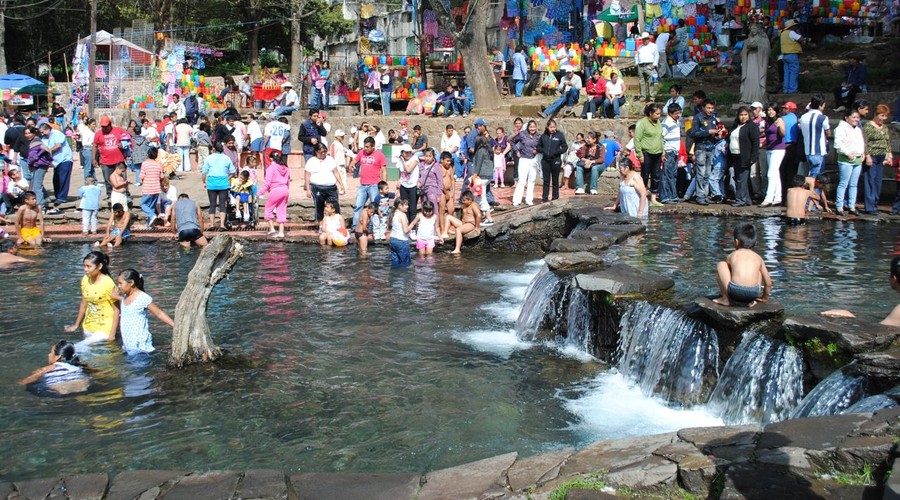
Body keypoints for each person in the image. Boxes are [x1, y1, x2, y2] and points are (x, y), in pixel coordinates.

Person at [112, 269, 174, 355]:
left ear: (131, 283)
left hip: (141, 347)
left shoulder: (143, 298)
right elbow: (128, 304)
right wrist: (115, 296)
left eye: (120, 283)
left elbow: (159, 313)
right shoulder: (125, 297)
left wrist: (174, 325)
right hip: (128, 344)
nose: (118, 286)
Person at [713, 222, 772, 308]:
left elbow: (727, 274)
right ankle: (751, 301)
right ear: (755, 244)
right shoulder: (758, 258)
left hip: (735, 291)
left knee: (721, 265)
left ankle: (725, 299)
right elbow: (768, 283)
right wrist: (764, 298)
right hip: (753, 294)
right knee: (758, 272)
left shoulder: (733, 255)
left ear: (736, 242)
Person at [65, 251, 119, 343]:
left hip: (105, 329)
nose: (85, 269)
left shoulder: (108, 283)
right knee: (89, 357)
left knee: (78, 349)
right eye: (84, 266)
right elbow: (83, 303)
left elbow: (117, 310)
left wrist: (112, 334)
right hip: (88, 326)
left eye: (89, 266)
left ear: (100, 266)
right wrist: (76, 324)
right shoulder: (85, 279)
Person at [18, 340, 90, 395]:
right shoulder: (80, 365)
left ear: (58, 357)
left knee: (30, 386)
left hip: (58, 391)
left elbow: (24, 382)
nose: (49, 355)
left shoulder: (48, 368)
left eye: (51, 353)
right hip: (82, 387)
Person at [688, 99, 724, 205]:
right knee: (701, 172)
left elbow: (714, 134)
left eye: (712, 108)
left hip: (711, 148)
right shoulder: (698, 117)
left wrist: (718, 134)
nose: (710, 110)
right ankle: (699, 196)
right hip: (701, 148)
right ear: (703, 107)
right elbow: (694, 133)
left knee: (707, 173)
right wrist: (708, 132)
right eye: (708, 108)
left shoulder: (713, 118)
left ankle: (704, 194)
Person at [861, 104, 892, 215]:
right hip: (872, 156)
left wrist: (889, 155)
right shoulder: (868, 126)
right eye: (882, 115)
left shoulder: (884, 127)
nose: (884, 118)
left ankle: (875, 203)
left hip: (882, 157)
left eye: (885, 116)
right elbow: (865, 142)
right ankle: (869, 206)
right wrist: (868, 155)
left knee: (878, 181)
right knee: (870, 180)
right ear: (875, 114)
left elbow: (887, 142)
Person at [834, 109, 865, 216]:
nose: (856, 119)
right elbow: (838, 144)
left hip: (857, 159)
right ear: (846, 117)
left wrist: (863, 153)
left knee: (853, 184)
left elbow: (861, 142)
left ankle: (852, 206)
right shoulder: (840, 128)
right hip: (846, 159)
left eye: (857, 117)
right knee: (843, 183)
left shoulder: (857, 129)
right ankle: (839, 206)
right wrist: (847, 153)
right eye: (854, 117)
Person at [305, 142, 345, 222]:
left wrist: (341, 184)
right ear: (316, 152)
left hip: (331, 187)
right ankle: (320, 224)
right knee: (319, 205)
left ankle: (336, 223)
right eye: (321, 152)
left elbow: (336, 172)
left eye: (324, 151)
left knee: (334, 205)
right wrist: (308, 189)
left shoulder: (330, 159)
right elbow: (307, 176)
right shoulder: (311, 161)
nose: (323, 154)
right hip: (317, 187)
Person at [352, 137, 387, 228]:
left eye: (368, 147)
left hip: (374, 184)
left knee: (374, 206)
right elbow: (355, 160)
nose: (366, 149)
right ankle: (355, 226)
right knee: (358, 206)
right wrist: (352, 164)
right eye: (365, 146)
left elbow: (383, 170)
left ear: (373, 146)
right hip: (363, 184)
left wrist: (384, 184)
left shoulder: (380, 155)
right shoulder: (361, 152)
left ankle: (373, 226)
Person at [728, 106, 760, 207]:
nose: (743, 117)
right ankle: (746, 199)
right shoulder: (735, 126)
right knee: (738, 177)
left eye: (745, 115)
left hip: (745, 156)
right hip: (735, 155)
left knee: (742, 178)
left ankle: (740, 199)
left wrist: (753, 157)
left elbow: (755, 143)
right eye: (741, 115)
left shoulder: (752, 126)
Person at [634, 103, 665, 206]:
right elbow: (637, 139)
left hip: (658, 152)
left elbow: (660, 137)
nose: (659, 116)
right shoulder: (642, 123)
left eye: (659, 114)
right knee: (645, 175)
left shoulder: (658, 123)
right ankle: (642, 197)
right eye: (657, 114)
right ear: (650, 113)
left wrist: (663, 151)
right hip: (646, 153)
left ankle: (653, 199)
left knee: (656, 175)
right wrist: (639, 154)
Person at [202, 142, 237, 230]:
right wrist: (227, 177)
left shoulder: (209, 158)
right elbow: (233, 171)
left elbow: (204, 173)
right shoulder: (226, 158)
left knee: (212, 205)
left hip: (211, 184)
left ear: (214, 149)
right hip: (223, 184)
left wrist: (204, 182)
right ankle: (222, 225)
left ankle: (212, 224)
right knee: (222, 205)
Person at [93, 116, 128, 202]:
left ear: (110, 124)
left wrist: (123, 145)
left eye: (106, 126)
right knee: (108, 179)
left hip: (118, 160)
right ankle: (110, 194)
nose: (104, 128)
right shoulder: (98, 134)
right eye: (102, 127)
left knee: (122, 178)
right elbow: (94, 146)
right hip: (105, 160)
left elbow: (128, 138)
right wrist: (93, 158)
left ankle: (126, 194)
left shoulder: (119, 131)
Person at [39, 122, 73, 206]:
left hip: (65, 158)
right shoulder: (43, 138)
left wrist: (49, 151)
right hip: (55, 161)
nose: (42, 134)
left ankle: (62, 197)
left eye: (43, 131)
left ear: (48, 129)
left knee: (63, 178)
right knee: (56, 179)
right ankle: (58, 196)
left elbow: (58, 145)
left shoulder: (57, 133)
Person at [760, 103, 787, 207]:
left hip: (778, 149)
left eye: (772, 110)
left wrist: (780, 127)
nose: (771, 112)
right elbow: (768, 137)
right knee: (775, 174)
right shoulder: (767, 122)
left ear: (776, 111)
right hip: (769, 149)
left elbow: (783, 134)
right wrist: (762, 144)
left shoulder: (779, 120)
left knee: (771, 173)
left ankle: (768, 198)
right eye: (769, 110)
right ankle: (778, 197)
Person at [798, 95, 830, 179]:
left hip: (808, 151)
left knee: (812, 174)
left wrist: (807, 109)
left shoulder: (803, 117)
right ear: (821, 105)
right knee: (816, 178)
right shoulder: (823, 118)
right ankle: (814, 192)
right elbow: (828, 133)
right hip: (819, 151)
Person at [260, 151, 291, 238]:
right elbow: (288, 181)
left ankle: (272, 228)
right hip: (285, 190)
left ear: (271, 159)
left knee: (268, 210)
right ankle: (281, 232)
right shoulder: (286, 168)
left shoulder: (271, 168)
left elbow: (267, 183)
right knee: (281, 210)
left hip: (275, 190)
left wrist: (260, 193)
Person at [24, 126, 54, 214]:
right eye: (25, 133)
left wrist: (29, 164)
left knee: (37, 186)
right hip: (40, 165)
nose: (27, 135)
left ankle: (41, 207)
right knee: (36, 183)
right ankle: (47, 199)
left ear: (34, 133)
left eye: (29, 133)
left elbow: (33, 156)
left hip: (39, 165)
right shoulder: (36, 141)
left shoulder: (35, 142)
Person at [510, 120, 541, 206]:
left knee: (532, 180)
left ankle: (529, 199)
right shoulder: (522, 134)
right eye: (531, 127)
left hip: (534, 159)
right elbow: (512, 142)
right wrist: (516, 151)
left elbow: (541, 146)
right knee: (522, 180)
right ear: (528, 127)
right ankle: (516, 200)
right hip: (524, 158)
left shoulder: (538, 136)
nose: (532, 129)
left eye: (534, 127)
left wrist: (538, 150)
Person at [740, 22, 770, 105]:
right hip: (749, 61)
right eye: (752, 29)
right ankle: (747, 97)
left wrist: (758, 47)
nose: (753, 30)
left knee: (757, 78)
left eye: (755, 28)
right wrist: (747, 49)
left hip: (758, 62)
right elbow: (743, 52)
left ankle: (758, 97)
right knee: (749, 78)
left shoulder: (763, 39)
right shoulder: (748, 39)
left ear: (758, 30)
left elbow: (767, 49)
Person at [537, 119, 567, 202]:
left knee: (555, 180)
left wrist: (558, 152)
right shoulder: (544, 136)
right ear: (547, 127)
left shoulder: (559, 135)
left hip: (556, 160)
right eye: (551, 127)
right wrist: (543, 151)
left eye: (554, 127)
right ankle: (545, 198)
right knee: (546, 180)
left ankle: (555, 197)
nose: (553, 129)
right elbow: (538, 146)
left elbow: (565, 147)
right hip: (545, 160)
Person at [660, 103, 682, 203]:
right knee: (667, 174)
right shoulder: (666, 123)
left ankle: (673, 195)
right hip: (668, 151)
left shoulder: (676, 122)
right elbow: (661, 137)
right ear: (670, 113)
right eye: (676, 113)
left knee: (673, 174)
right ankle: (665, 196)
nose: (678, 115)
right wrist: (662, 152)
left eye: (679, 113)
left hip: (674, 152)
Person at [780, 19, 804, 94]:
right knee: (794, 73)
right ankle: (792, 90)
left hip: (784, 55)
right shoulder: (791, 33)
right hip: (792, 54)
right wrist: (798, 32)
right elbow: (800, 39)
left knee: (787, 73)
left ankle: (786, 89)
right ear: (792, 27)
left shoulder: (783, 33)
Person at [387, 198, 411, 268]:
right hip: (401, 241)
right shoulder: (402, 215)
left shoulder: (393, 213)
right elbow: (406, 230)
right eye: (406, 205)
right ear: (400, 205)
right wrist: (412, 224)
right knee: (405, 263)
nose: (408, 206)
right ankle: (404, 277)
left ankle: (394, 278)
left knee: (395, 262)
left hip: (393, 240)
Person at [635, 32, 658, 102]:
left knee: (651, 81)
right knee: (642, 82)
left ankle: (651, 97)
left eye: (646, 39)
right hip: (641, 65)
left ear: (648, 39)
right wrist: (637, 63)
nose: (644, 41)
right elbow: (637, 56)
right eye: (643, 39)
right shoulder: (640, 47)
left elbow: (657, 55)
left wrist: (654, 64)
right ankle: (643, 96)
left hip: (650, 65)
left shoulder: (654, 46)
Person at [77, 118, 97, 183]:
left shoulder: (92, 132)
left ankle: (94, 181)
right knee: (88, 167)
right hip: (88, 149)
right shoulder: (86, 131)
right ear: (89, 125)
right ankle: (87, 181)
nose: (94, 126)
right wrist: (92, 143)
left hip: (92, 149)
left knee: (92, 167)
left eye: (95, 124)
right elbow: (85, 142)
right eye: (93, 124)